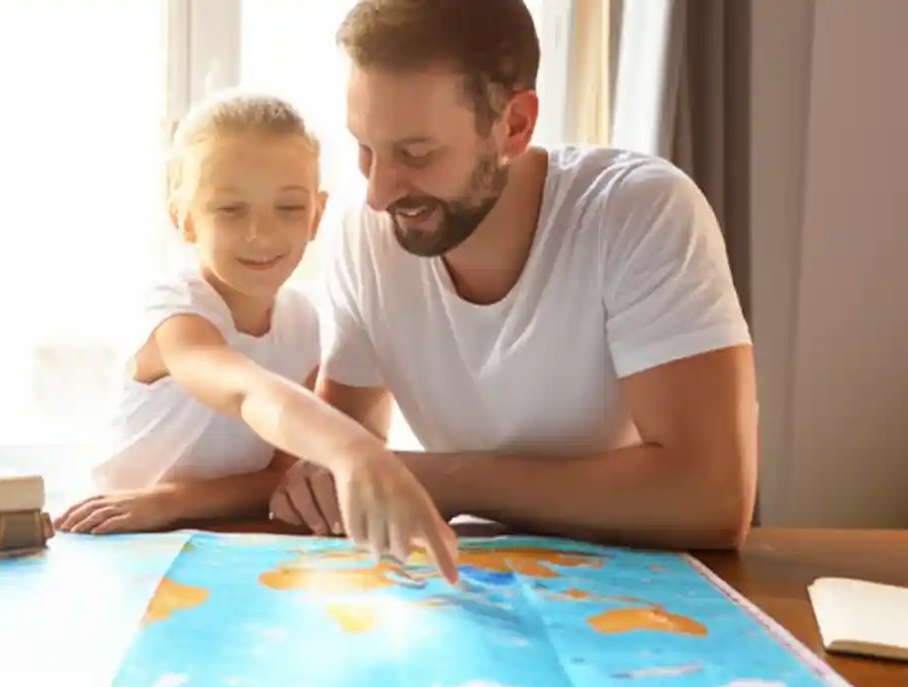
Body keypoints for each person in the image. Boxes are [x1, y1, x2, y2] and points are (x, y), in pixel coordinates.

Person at [268, 0, 758, 550]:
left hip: (638, 593)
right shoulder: (368, 234)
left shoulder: (636, 211)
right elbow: (332, 459)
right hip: (475, 581)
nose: (380, 193)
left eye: (416, 152)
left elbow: (710, 497)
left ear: (515, 126)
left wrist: (445, 481)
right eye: (365, 149)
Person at [52, 92, 459, 581]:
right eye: (230, 209)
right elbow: (244, 390)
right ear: (182, 217)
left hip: (220, 540)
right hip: (117, 543)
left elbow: (276, 477)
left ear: (316, 214)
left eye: (288, 207)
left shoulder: (303, 322)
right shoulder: (175, 309)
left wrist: (176, 501)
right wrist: (355, 450)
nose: (260, 234)